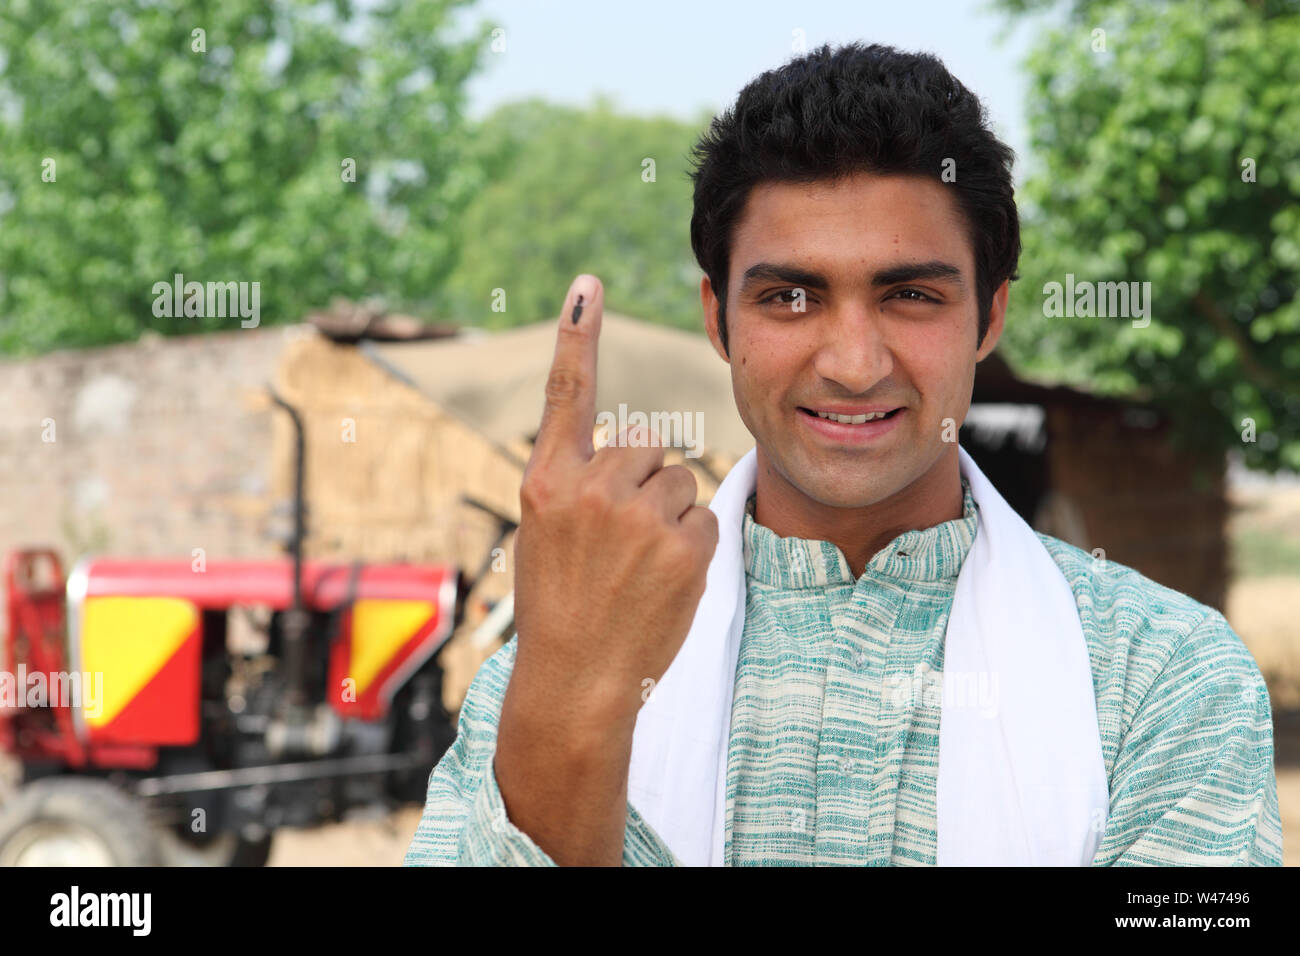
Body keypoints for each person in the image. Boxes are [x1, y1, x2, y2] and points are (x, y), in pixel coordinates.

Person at [405, 42, 1282, 866]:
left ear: (991, 318)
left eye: (910, 295)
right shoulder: (554, 667)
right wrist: (571, 704)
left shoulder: (1161, 675)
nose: (855, 364)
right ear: (718, 319)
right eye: (791, 297)